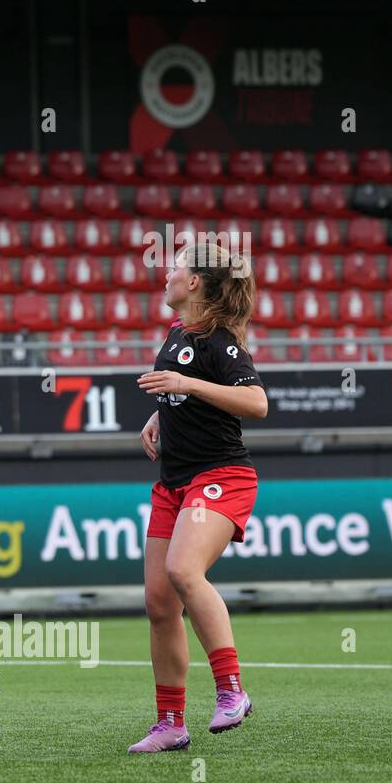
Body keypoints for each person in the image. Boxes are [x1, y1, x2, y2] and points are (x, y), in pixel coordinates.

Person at [130, 240, 267, 753]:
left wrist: (186, 384)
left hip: (222, 475)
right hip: (174, 483)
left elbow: (256, 403)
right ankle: (170, 723)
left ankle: (232, 690)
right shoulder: (176, 334)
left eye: (177, 267)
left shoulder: (220, 342)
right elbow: (184, 391)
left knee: (184, 572)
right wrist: (161, 413)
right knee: (159, 602)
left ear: (194, 284)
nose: (167, 273)